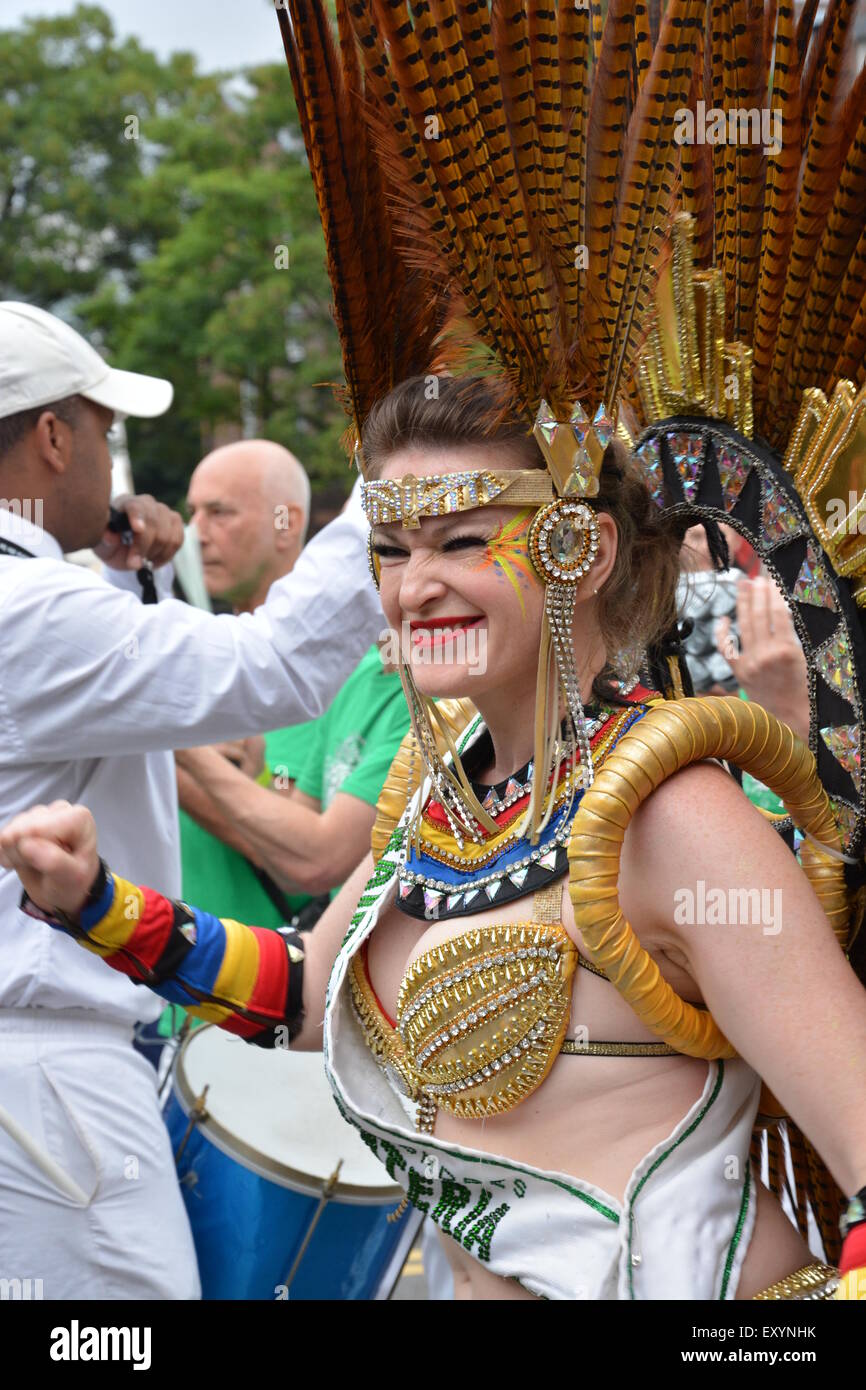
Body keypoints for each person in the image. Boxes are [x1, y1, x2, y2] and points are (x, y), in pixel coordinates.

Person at [4, 2, 866, 1303]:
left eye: (462, 539)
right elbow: (301, 994)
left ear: (571, 554)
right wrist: (96, 906)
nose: (414, 588)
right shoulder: (441, 798)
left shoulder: (670, 820)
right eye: (391, 552)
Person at [0, 298, 382, 1299]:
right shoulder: (35, 607)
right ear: (51, 438)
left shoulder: (43, 594)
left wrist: (133, 587)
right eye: (103, 432)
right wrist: (402, 484)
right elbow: (278, 664)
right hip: (47, 1070)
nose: (113, 460)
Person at [178, 440, 318, 933]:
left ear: (288, 523)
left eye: (219, 513)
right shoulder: (192, 656)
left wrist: (156, 747)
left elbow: (299, 847)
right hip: (172, 994)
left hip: (264, 990)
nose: (194, 535)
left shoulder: (333, 669)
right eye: (191, 513)